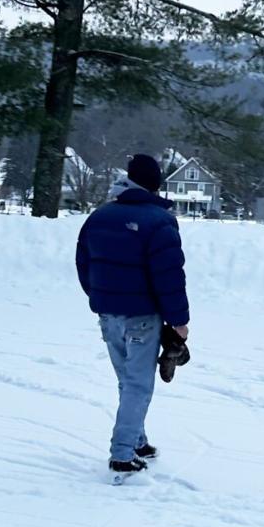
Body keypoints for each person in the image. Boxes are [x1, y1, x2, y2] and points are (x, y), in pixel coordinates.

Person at [75, 153, 189, 475]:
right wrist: (179, 322)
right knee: (138, 385)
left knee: (128, 381)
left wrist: (101, 297)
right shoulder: (160, 221)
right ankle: (123, 453)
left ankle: (137, 440)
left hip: (108, 315)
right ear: (155, 184)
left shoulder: (98, 217)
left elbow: (84, 265)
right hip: (142, 316)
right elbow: (170, 277)